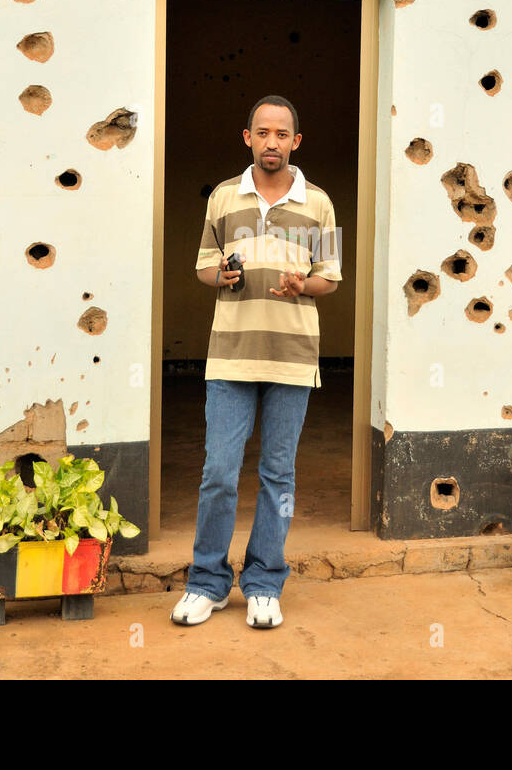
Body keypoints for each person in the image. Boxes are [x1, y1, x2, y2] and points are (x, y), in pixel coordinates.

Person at [171, 95, 343, 629]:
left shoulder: (319, 203)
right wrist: (218, 275)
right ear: (248, 138)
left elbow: (331, 277)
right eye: (262, 132)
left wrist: (303, 284)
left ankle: (265, 583)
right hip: (231, 356)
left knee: (278, 474)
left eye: (282, 133)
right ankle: (207, 583)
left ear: (297, 141)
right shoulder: (224, 197)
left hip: (292, 358)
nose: (272, 141)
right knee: (219, 471)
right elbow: (203, 265)